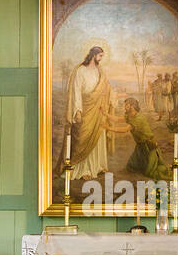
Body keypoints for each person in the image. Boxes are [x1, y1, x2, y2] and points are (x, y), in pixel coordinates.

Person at [61, 45, 112, 181]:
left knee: (97, 135)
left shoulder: (100, 71)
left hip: (98, 109)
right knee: (83, 136)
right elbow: (76, 90)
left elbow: (106, 88)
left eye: (102, 56)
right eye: (100, 56)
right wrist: (77, 110)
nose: (101, 59)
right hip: (85, 107)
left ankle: (98, 166)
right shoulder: (80, 71)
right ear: (94, 55)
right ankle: (84, 169)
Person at [106, 97, 172, 181]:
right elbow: (118, 119)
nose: (125, 107)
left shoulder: (139, 118)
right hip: (140, 147)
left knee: (150, 172)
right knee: (131, 167)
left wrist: (108, 128)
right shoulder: (130, 116)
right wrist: (105, 114)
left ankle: (169, 168)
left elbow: (124, 130)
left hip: (149, 148)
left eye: (126, 105)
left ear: (132, 106)